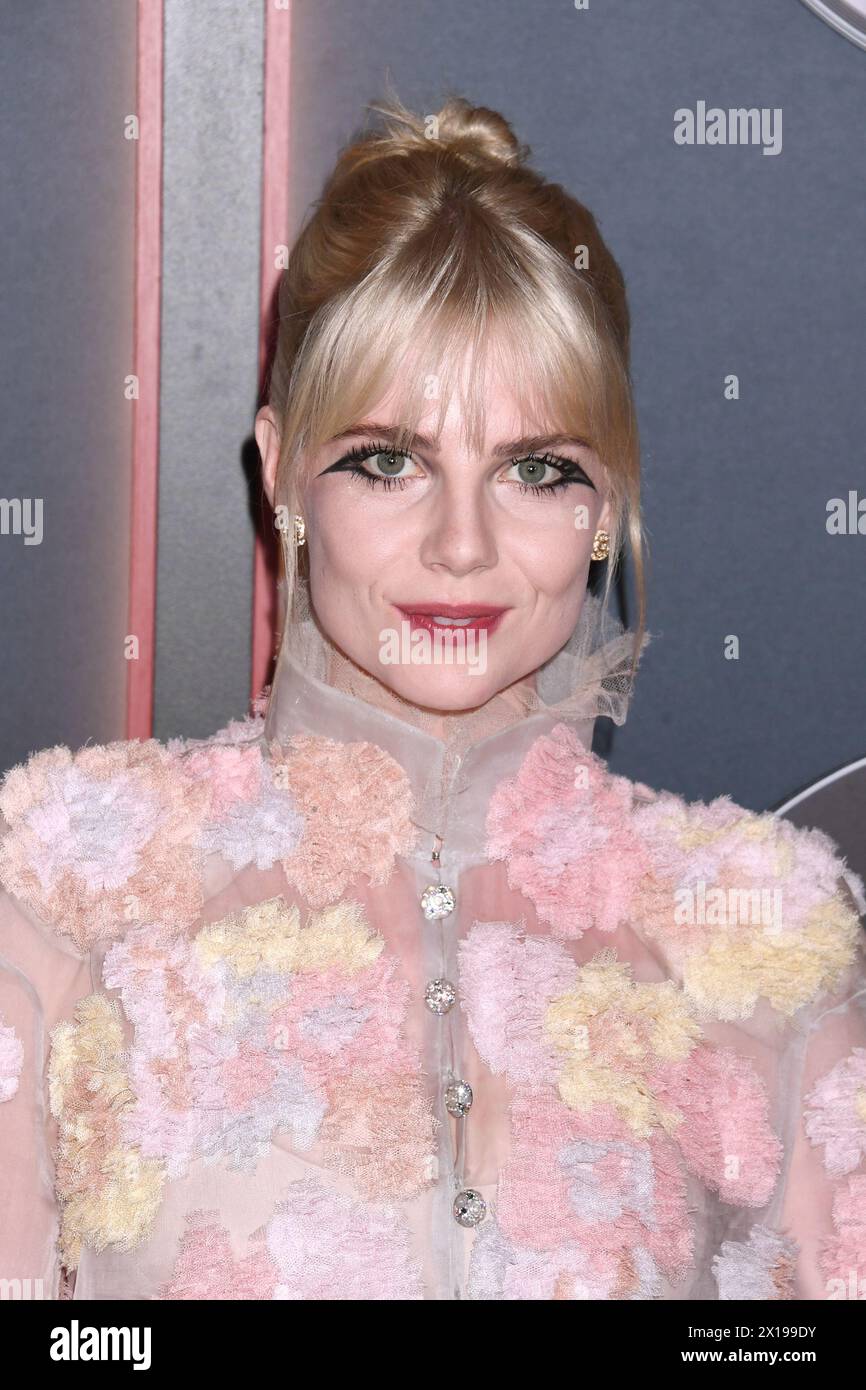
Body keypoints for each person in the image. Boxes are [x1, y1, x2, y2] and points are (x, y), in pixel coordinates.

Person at [1, 94, 865, 1302]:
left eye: (533, 468)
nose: (459, 544)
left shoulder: (763, 934)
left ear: (604, 507)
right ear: (281, 473)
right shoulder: (61, 895)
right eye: (387, 460)